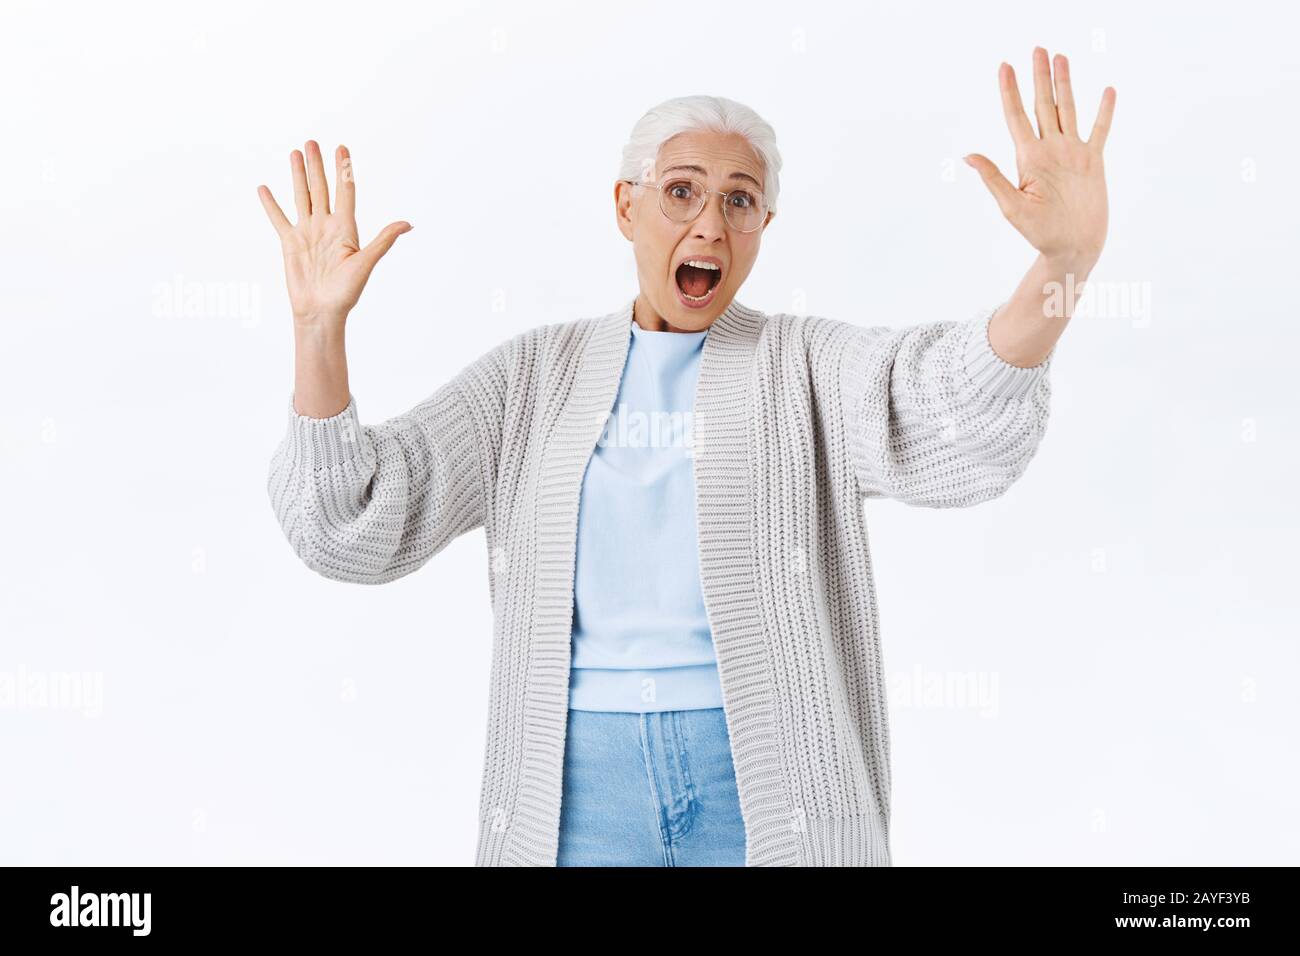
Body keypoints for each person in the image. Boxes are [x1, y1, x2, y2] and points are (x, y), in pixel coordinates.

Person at [257, 46, 1115, 866]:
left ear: (764, 225)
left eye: (740, 202)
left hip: (767, 785)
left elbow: (952, 407)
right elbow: (353, 519)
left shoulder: (804, 365)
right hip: (574, 796)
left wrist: (1061, 264)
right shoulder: (530, 378)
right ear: (626, 207)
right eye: (681, 192)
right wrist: (316, 329)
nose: (711, 223)